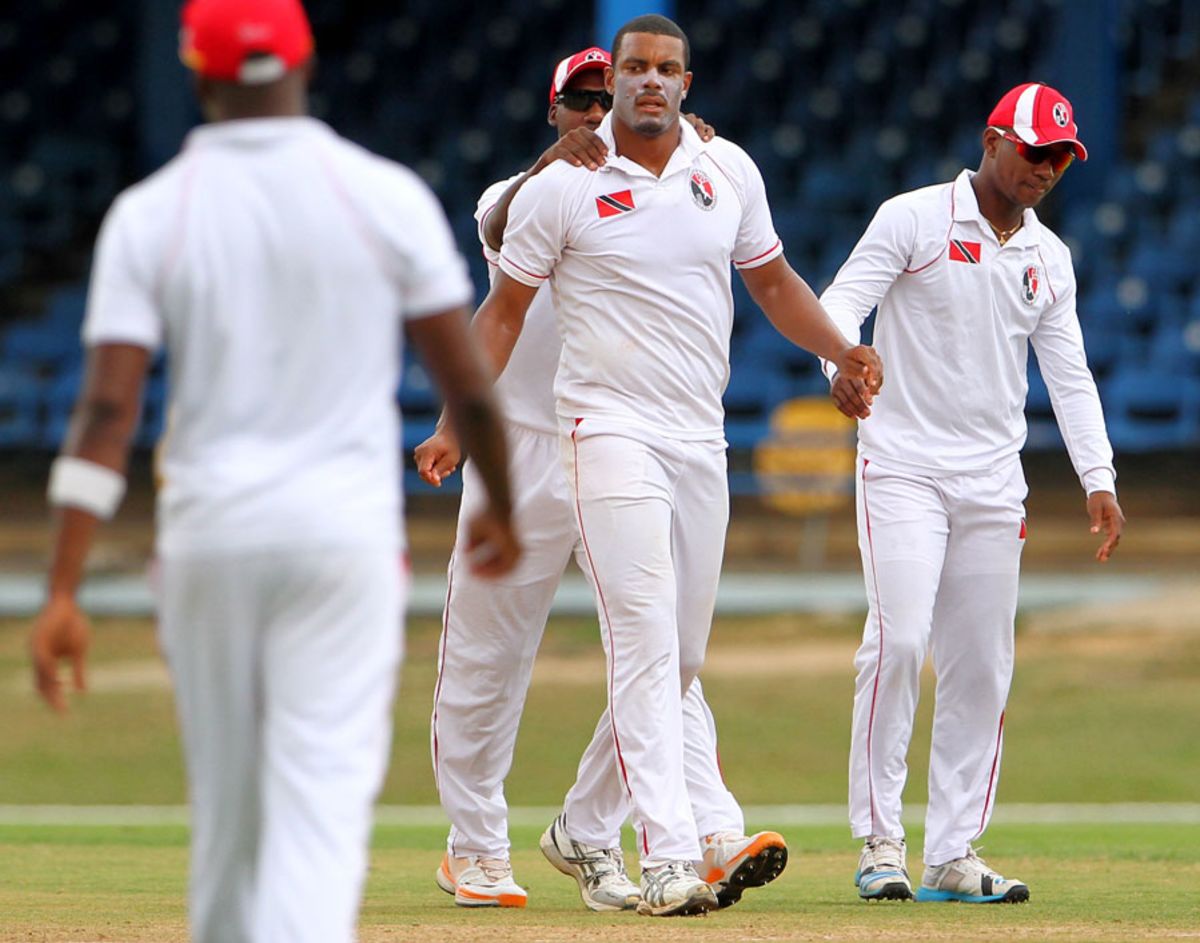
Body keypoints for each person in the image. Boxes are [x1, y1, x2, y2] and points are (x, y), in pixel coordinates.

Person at [27, 1, 518, 941]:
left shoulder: (149, 212)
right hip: (341, 543)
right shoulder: (384, 196)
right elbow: (468, 379)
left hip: (210, 539)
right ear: (306, 60)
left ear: (195, 72)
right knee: (320, 813)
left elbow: (104, 412)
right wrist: (505, 506)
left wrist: (62, 584)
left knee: (231, 812)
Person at [459, 14, 882, 917]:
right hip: (603, 428)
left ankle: (581, 824)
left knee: (682, 655)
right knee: (645, 641)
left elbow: (772, 282)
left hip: (700, 435)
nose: (649, 81)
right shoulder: (562, 184)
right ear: (612, 82)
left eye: (666, 69)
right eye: (634, 68)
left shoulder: (726, 169)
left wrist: (844, 351)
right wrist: (460, 419)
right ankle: (669, 855)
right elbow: (500, 313)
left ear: (688, 81)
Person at [419, 46, 785, 915]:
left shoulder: (672, 169)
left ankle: (696, 825)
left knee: (662, 643)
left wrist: (684, 156)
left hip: (623, 440)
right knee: (485, 658)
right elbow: (505, 232)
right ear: (554, 112)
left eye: (604, 95)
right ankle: (474, 846)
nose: (594, 111)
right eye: (579, 100)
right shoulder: (521, 192)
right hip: (518, 452)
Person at [819, 81, 1125, 904]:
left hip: (996, 482)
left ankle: (954, 851)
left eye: (1061, 157)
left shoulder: (1046, 256)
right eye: (1035, 151)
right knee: (900, 640)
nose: (1047, 169)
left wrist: (1099, 477)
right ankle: (879, 840)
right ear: (992, 140)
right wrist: (840, 365)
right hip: (903, 465)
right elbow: (839, 305)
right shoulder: (912, 218)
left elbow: (1069, 374)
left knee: (983, 665)